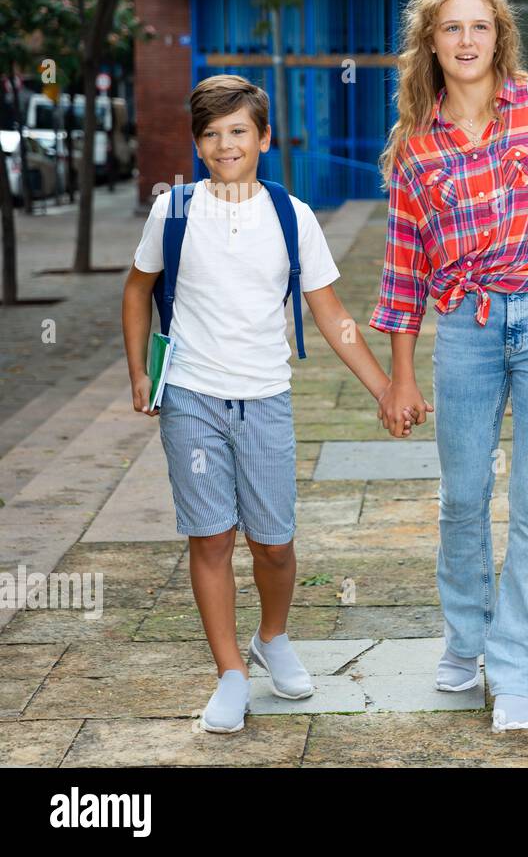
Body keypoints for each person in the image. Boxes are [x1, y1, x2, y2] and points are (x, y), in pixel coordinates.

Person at [372, 0, 528, 734]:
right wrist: (399, 377)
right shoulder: (415, 145)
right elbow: (405, 266)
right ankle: (465, 637)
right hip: (466, 329)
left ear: (498, 35)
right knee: (463, 497)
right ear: (431, 45)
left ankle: (518, 672)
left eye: (480, 26)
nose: (467, 40)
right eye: (452, 28)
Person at [122, 74, 394, 733]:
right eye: (212, 134)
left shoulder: (290, 215)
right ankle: (230, 676)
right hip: (192, 398)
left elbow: (330, 315)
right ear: (198, 142)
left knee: (273, 544)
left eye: (239, 131)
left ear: (264, 138)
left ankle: (271, 638)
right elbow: (137, 292)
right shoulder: (174, 211)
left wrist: (385, 386)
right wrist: (138, 372)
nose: (225, 144)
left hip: (266, 397)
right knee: (210, 537)